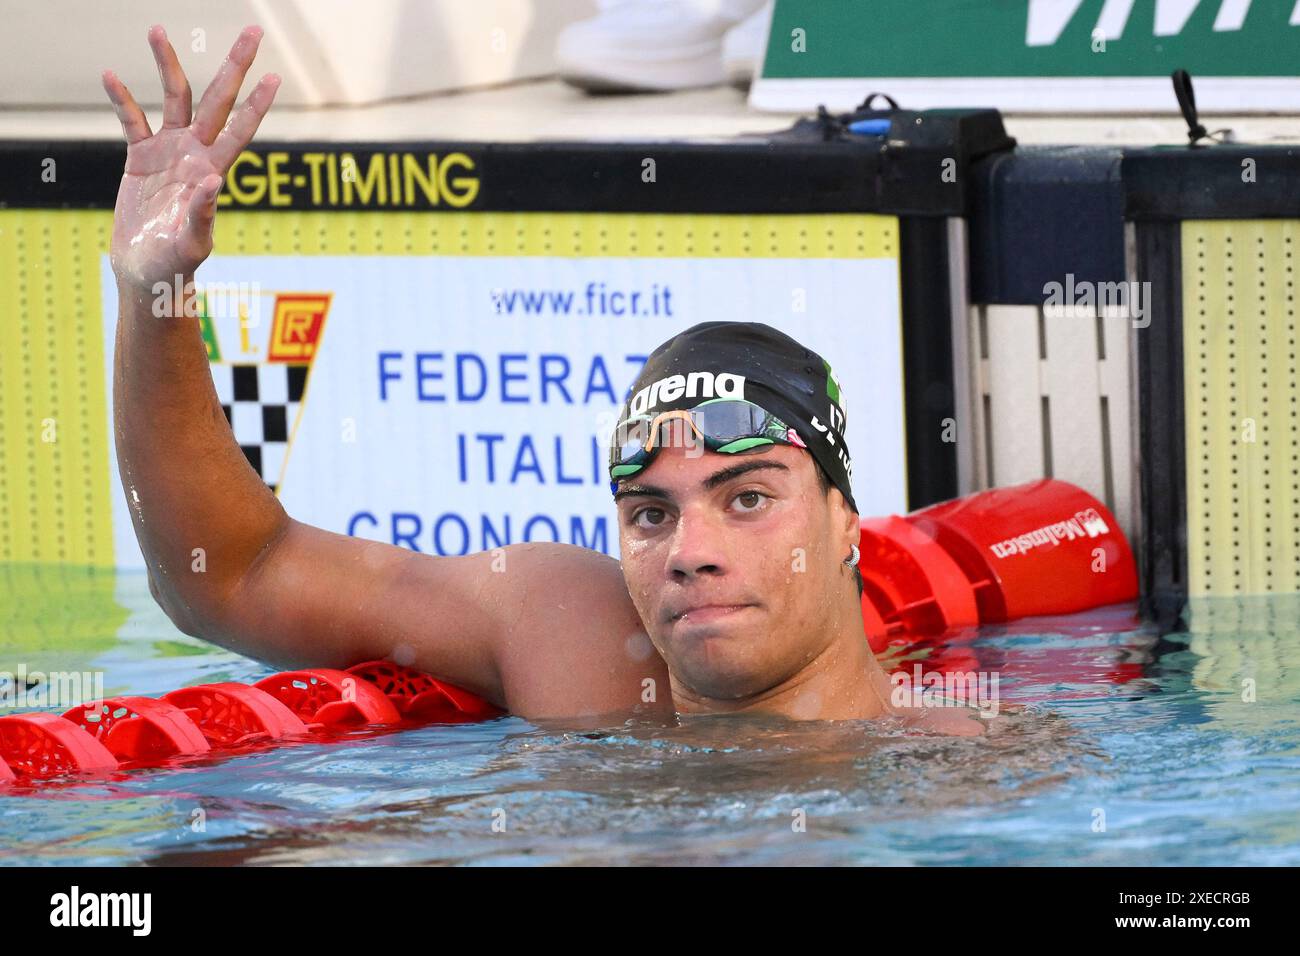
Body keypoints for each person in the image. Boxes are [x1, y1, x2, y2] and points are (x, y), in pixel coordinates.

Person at [102, 25, 984, 734]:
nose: (689, 554)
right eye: (650, 512)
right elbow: (228, 577)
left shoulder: (963, 782)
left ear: (844, 523)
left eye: (747, 497)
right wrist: (154, 292)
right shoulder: (570, 636)